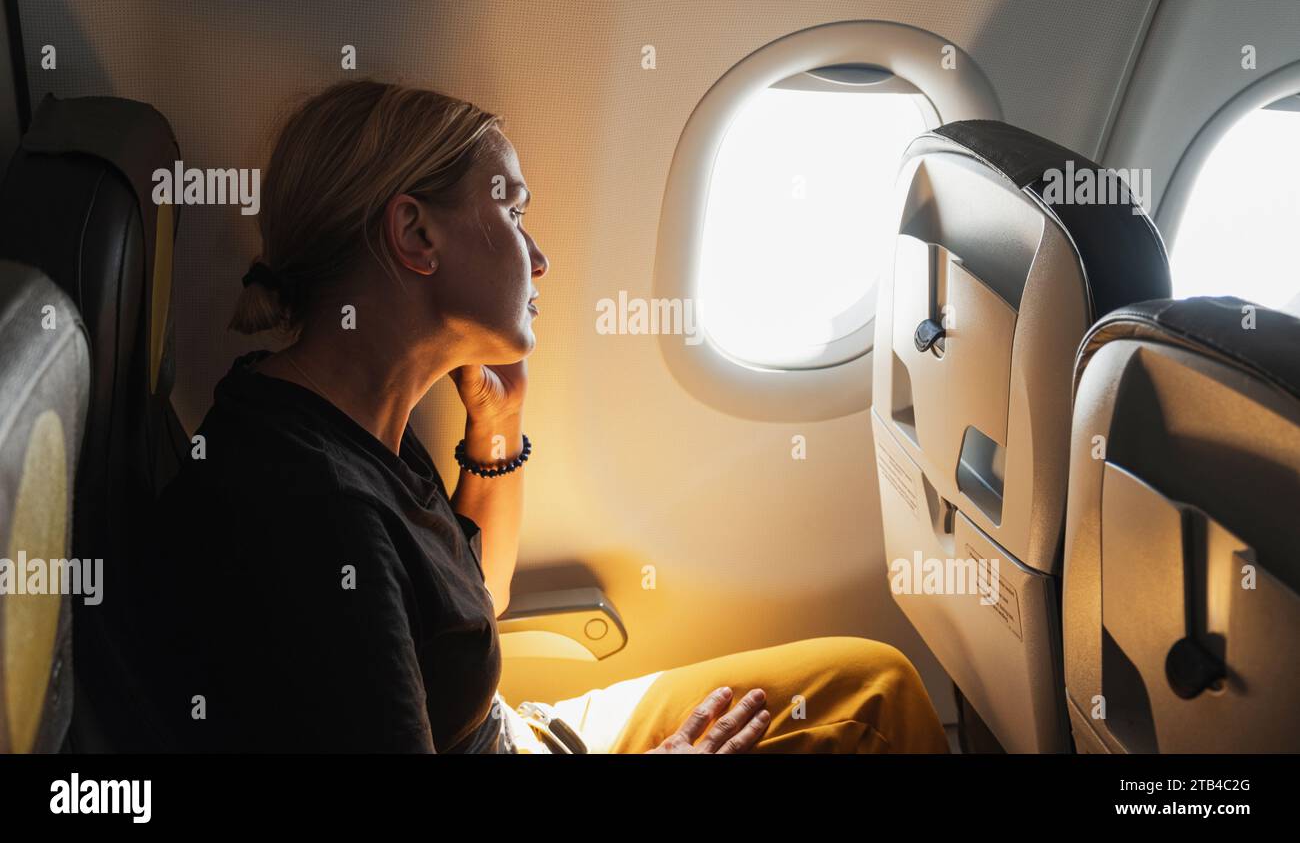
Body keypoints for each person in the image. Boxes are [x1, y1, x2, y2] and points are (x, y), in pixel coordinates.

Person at [128, 78, 950, 753]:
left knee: (872, 682)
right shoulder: (316, 513)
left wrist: (497, 425)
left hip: (516, 734)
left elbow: (472, 603)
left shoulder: (338, 415)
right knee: (876, 720)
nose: (542, 257)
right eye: (514, 212)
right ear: (415, 233)